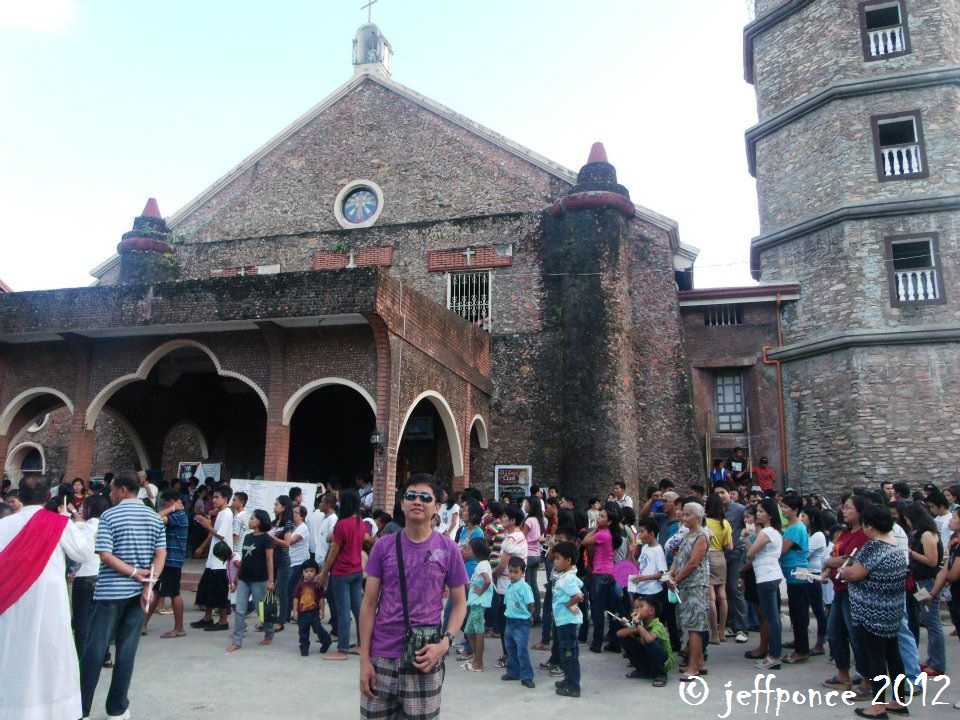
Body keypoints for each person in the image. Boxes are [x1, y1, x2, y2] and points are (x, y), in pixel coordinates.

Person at [358, 474, 468, 719]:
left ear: (436, 507)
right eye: (411, 496)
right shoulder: (383, 547)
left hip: (424, 657)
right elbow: (368, 605)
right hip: (381, 658)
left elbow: (460, 603)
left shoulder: (448, 549)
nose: (417, 501)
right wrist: (364, 660)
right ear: (402, 503)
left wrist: (445, 643)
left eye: (425, 497)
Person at [0, 475, 94, 720]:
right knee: (50, 656)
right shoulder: (59, 524)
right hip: (49, 605)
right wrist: (81, 524)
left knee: (12, 654)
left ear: (19, 496)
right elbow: (84, 552)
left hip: (10, 602)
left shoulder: (3, 525)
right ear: (48, 497)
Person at [79, 470, 165, 720]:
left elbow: (104, 554)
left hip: (109, 593)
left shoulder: (109, 515)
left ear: (123, 490)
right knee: (127, 650)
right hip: (139, 595)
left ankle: (81, 709)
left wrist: (134, 572)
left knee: (94, 649)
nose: (111, 494)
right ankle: (117, 708)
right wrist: (148, 582)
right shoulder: (153, 517)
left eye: (113, 489)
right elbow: (161, 553)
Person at [839, 504, 910, 718]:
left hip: (872, 612)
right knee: (893, 655)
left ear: (869, 525)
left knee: (876, 658)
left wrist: (844, 571)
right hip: (892, 609)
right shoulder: (895, 543)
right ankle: (898, 700)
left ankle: (877, 705)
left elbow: (856, 574)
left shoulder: (873, 547)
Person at [822, 496, 872, 700]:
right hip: (839, 589)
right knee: (834, 632)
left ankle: (867, 680)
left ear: (860, 512)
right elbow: (838, 555)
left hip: (853, 590)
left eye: (849, 508)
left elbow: (849, 559)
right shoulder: (844, 532)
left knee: (856, 636)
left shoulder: (863, 535)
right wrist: (828, 568)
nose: (844, 510)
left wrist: (831, 561)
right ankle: (843, 674)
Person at [319, 486, 370, 660]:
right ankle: (362, 645)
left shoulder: (342, 524)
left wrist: (324, 572)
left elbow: (334, 551)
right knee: (358, 609)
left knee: (342, 612)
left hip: (341, 573)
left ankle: (341, 649)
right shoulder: (360, 522)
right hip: (357, 571)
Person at [664, 501, 710, 681]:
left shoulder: (701, 535)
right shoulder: (686, 535)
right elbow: (678, 558)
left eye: (688, 514)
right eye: (683, 514)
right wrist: (670, 574)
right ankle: (699, 663)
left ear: (698, 517)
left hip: (696, 585)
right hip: (685, 585)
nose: (684, 517)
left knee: (695, 627)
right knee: (691, 625)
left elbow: (693, 562)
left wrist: (676, 578)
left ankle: (693, 667)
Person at [902, 502, 946, 676]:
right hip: (920, 580)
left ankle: (938, 663)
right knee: (928, 621)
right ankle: (933, 659)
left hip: (926, 581)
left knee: (932, 622)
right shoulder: (923, 533)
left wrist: (910, 552)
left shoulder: (927, 534)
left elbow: (932, 560)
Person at [227, 509, 276, 651]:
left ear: (260, 521)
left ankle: (269, 633)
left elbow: (269, 561)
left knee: (262, 610)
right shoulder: (248, 537)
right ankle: (237, 641)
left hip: (259, 579)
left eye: (252, 518)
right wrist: (236, 578)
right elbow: (243, 559)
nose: (250, 520)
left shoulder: (267, 539)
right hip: (244, 578)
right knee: (240, 610)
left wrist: (271, 581)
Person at [744, 497, 783, 671]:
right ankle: (774, 653)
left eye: (761, 511)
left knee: (771, 617)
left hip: (766, 576)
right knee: (772, 617)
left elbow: (751, 553)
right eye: (757, 511)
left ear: (769, 514)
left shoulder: (766, 532)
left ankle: (774, 654)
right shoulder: (774, 532)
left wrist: (746, 540)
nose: (758, 514)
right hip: (770, 574)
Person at [144, 489, 188, 638]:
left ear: (171, 502)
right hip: (165, 561)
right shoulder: (174, 514)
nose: (163, 506)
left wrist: (173, 508)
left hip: (172, 561)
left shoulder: (179, 515)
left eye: (165, 503)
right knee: (155, 590)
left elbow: (156, 518)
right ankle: (143, 625)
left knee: (174, 593)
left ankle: (179, 628)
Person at [581, 502, 623, 654]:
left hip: (599, 574)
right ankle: (615, 642)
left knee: (598, 610)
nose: (599, 518)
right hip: (610, 573)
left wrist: (595, 529)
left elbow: (585, 541)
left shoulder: (602, 534)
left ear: (609, 521)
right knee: (612, 611)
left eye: (602, 516)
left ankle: (596, 644)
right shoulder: (612, 535)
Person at [190, 485, 233, 631]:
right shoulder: (220, 513)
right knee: (207, 589)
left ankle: (223, 621)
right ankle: (207, 618)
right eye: (213, 497)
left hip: (221, 561)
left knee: (219, 592)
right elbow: (214, 533)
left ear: (225, 499)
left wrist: (207, 525)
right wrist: (203, 545)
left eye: (217, 497)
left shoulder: (226, 513)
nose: (213, 500)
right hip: (213, 559)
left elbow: (220, 535)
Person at [550, 540, 584, 697]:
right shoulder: (567, 575)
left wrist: (570, 604)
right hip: (563, 622)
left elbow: (578, 595)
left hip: (567, 622)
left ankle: (573, 687)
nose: (555, 561)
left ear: (568, 560)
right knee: (567, 653)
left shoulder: (567, 579)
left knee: (569, 655)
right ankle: (568, 680)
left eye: (557, 558)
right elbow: (580, 583)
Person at [617, 596, 675, 687]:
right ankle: (643, 670)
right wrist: (634, 628)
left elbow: (649, 639)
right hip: (649, 657)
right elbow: (619, 634)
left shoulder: (658, 624)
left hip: (664, 661)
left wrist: (638, 624)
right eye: (636, 608)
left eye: (641, 607)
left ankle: (661, 674)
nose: (637, 610)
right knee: (626, 639)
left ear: (651, 611)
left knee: (651, 643)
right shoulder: (640, 623)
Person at [460, 537, 493, 672]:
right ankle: (475, 658)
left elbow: (487, 580)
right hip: (475, 603)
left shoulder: (481, 565)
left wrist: (481, 590)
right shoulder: (482, 564)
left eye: (469, 549)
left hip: (478, 604)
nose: (467, 551)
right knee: (469, 631)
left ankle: (478, 662)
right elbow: (473, 583)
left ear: (476, 551)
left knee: (478, 631)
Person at [704, 493, 732, 645]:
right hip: (721, 558)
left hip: (708, 557)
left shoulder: (705, 522)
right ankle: (722, 631)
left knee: (711, 598)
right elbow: (730, 546)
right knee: (723, 595)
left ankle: (714, 633)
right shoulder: (725, 523)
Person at [801, 504, 828, 656]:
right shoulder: (808, 533)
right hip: (805, 573)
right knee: (803, 606)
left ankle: (820, 642)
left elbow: (804, 554)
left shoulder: (818, 536)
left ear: (812, 518)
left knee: (817, 608)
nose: (801, 519)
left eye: (804, 516)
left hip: (813, 574)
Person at [291, 558, 332, 656]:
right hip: (302, 614)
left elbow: (321, 598)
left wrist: (322, 610)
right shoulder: (299, 585)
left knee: (318, 628)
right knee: (303, 631)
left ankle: (326, 641)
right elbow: (296, 598)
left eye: (311, 571)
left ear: (316, 572)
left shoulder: (318, 585)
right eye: (306, 571)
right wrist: (295, 611)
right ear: (302, 573)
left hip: (314, 613)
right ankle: (304, 647)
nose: (309, 573)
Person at [629, 516, 667, 603]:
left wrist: (644, 578)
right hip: (640, 589)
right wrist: (631, 554)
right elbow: (640, 566)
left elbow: (661, 574)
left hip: (652, 592)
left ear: (651, 534)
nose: (640, 535)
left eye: (642, 532)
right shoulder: (645, 547)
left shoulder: (658, 550)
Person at [521, 495, 546, 624]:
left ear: (531, 506)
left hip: (528, 555)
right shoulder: (538, 520)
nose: (524, 506)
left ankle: (529, 614)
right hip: (536, 555)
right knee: (534, 585)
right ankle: (537, 614)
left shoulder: (529, 520)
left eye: (526, 504)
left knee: (527, 586)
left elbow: (522, 537)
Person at [286, 505, 311, 620]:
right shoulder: (294, 527)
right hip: (291, 561)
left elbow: (292, 541)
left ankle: (289, 614)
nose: (293, 514)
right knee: (290, 588)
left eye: (296, 512)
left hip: (299, 562)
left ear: (302, 516)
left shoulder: (303, 527)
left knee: (291, 588)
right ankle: (290, 613)